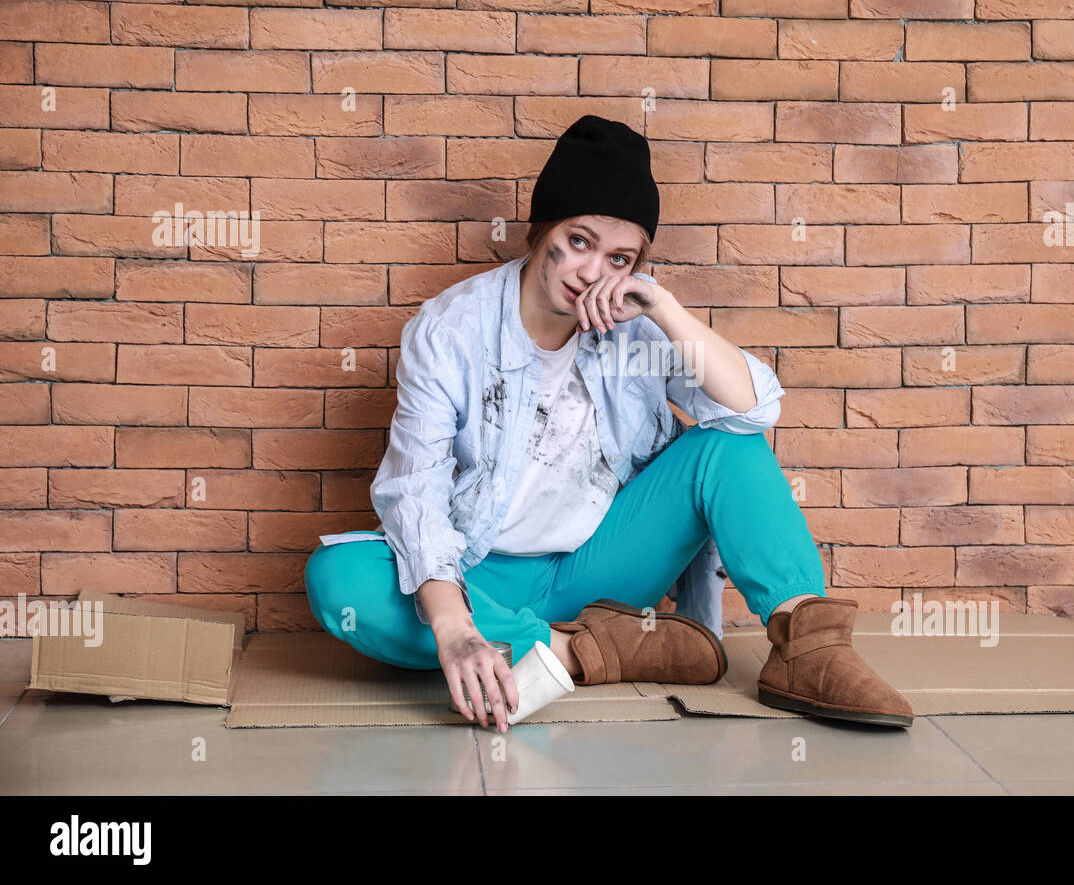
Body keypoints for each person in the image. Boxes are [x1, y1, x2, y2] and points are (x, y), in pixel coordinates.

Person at [305, 115, 913, 734]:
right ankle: (598, 650)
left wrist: (664, 308)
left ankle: (810, 651)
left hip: (599, 573)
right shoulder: (449, 330)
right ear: (543, 230)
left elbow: (752, 408)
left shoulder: (635, 326)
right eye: (578, 241)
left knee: (728, 447)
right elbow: (416, 489)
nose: (592, 272)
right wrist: (457, 629)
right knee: (340, 578)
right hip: (476, 579)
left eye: (618, 257)